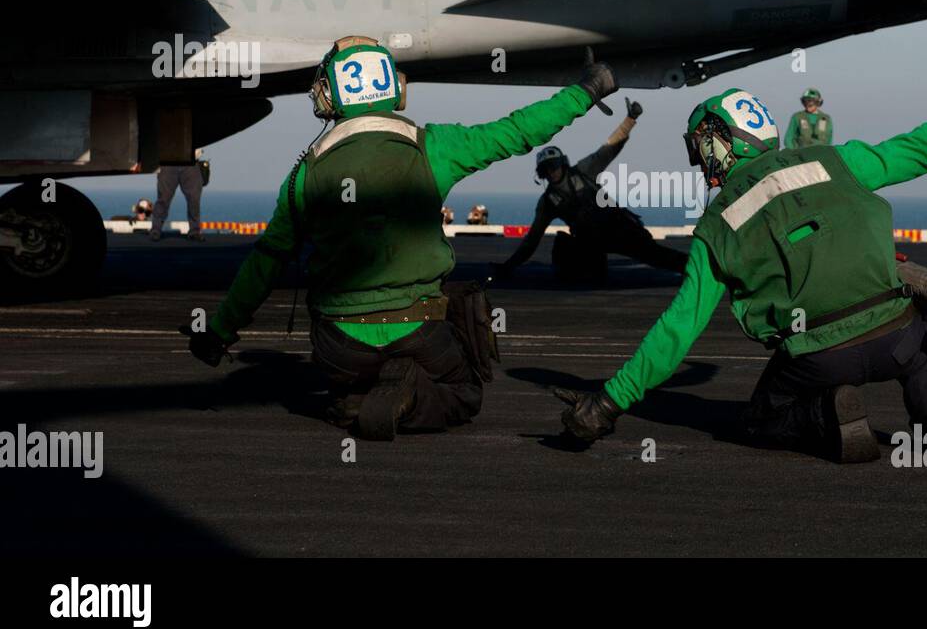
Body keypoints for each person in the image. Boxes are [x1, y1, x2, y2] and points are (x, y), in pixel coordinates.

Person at [555, 55, 927, 463]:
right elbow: (923, 147)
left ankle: (825, 416)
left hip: (820, 358)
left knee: (759, 420)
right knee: (916, 349)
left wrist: (606, 405)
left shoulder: (715, 228)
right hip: (897, 339)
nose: (699, 163)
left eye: (700, 147)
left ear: (722, 141)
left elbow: (677, 331)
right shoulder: (840, 160)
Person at [183, 35, 619, 440]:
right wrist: (587, 89)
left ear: (330, 95)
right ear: (395, 88)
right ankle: (404, 398)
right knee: (464, 394)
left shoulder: (304, 175)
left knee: (346, 380)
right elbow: (521, 130)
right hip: (419, 332)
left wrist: (218, 332)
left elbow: (266, 261)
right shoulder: (433, 147)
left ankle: (354, 399)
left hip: (339, 347)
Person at [494, 98, 687, 282]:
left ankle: (697, 268)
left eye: (553, 166)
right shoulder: (548, 202)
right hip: (591, 241)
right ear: (541, 174)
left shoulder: (584, 170)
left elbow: (609, 149)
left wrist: (630, 120)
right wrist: (509, 266)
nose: (551, 172)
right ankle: (590, 272)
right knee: (564, 247)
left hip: (620, 229)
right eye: (546, 169)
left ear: (562, 164)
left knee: (657, 256)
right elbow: (532, 241)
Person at [150, 148, 205, 241]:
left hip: (190, 161)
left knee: (194, 199)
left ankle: (195, 231)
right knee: (163, 198)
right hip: (167, 161)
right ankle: (156, 230)